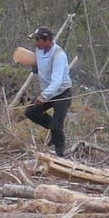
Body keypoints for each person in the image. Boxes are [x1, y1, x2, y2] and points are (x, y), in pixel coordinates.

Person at [23, 25, 72, 156]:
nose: (35, 43)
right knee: (31, 112)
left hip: (62, 92)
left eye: (37, 40)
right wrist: (36, 68)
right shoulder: (39, 50)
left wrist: (43, 96)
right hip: (48, 91)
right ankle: (54, 131)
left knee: (57, 127)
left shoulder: (59, 55)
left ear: (47, 40)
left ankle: (60, 155)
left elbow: (57, 82)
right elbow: (41, 65)